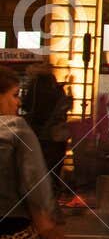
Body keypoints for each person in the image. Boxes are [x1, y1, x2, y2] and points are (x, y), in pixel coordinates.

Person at [0, 67, 66, 239]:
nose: (18, 102)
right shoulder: (16, 128)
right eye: (14, 95)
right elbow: (34, 179)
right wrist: (45, 220)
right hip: (8, 234)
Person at [20, 62, 69, 197]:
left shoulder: (35, 85)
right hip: (55, 135)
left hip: (39, 132)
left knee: (38, 165)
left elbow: (28, 105)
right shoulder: (57, 87)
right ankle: (53, 193)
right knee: (53, 167)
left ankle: (40, 195)